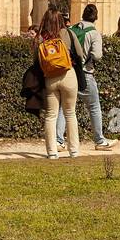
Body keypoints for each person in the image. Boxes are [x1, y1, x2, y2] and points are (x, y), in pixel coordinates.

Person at [57, 3, 114, 151]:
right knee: (94, 107)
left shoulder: (71, 29)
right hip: (85, 73)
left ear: (82, 15)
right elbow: (97, 55)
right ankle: (99, 140)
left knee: (65, 107)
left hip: (68, 72)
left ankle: (58, 140)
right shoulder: (94, 33)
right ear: (96, 17)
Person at [36, 8, 79, 159]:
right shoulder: (68, 33)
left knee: (51, 116)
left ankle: (52, 152)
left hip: (50, 78)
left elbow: (37, 61)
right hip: (68, 74)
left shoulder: (41, 38)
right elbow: (80, 54)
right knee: (70, 113)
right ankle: (73, 150)